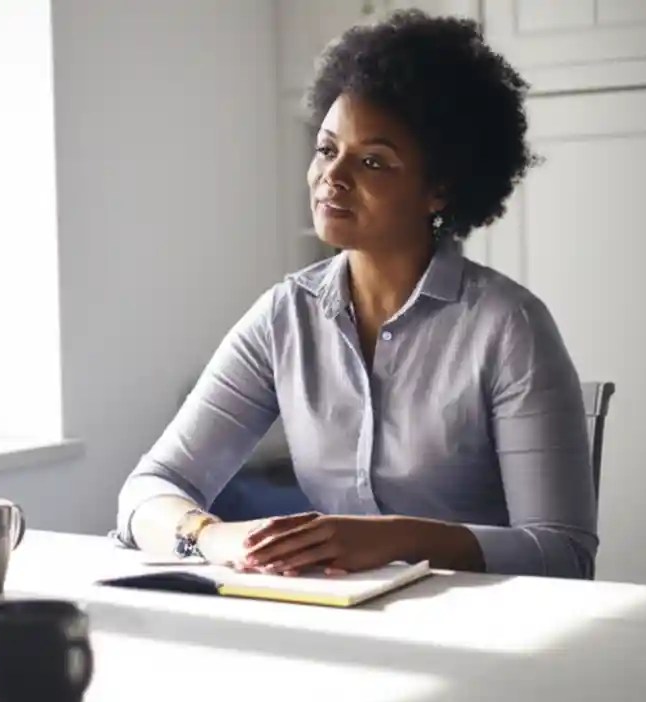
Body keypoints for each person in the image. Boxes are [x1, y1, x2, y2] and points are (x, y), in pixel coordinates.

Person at [116, 10, 597, 580]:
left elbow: (563, 554)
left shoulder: (509, 326)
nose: (332, 178)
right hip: (339, 625)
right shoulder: (284, 316)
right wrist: (212, 536)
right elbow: (146, 493)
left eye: (373, 161)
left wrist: (399, 540)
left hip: (485, 634)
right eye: (326, 150)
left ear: (440, 188)